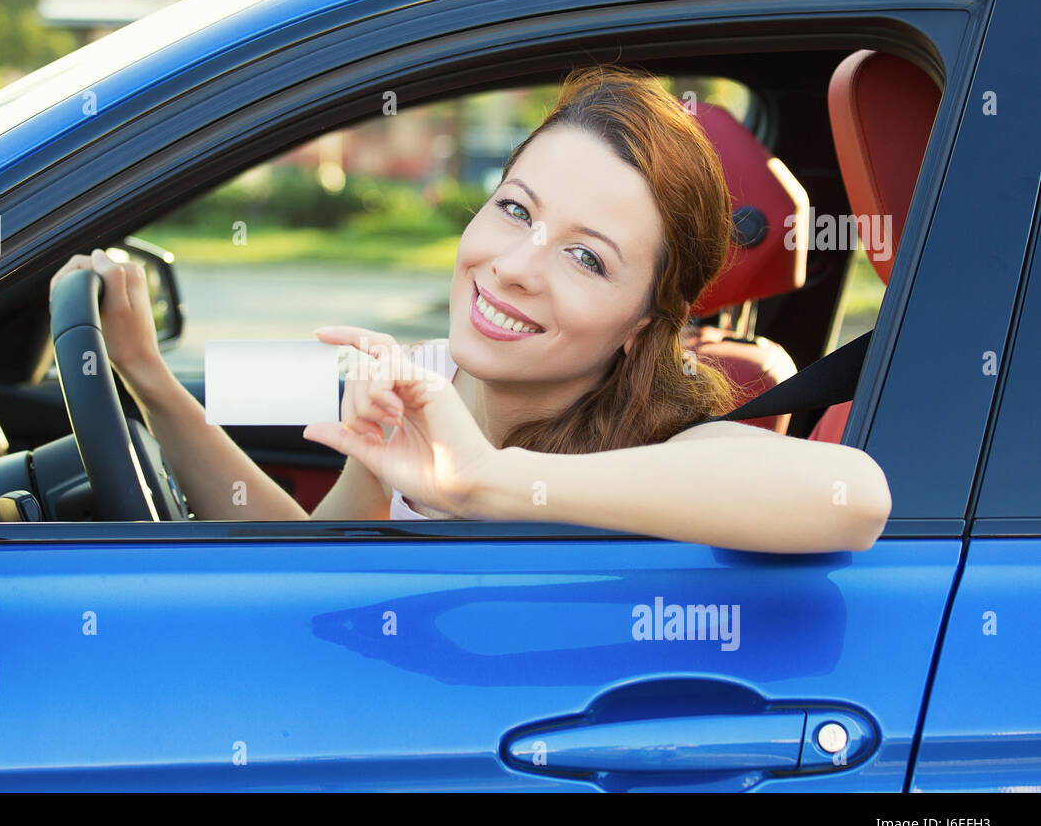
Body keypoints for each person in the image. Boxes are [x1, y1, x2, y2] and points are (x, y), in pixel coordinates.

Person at [49, 64, 891, 554]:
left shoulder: (665, 441)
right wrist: (153, 382)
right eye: (517, 210)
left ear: (642, 323)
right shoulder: (423, 374)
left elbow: (852, 498)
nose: (514, 267)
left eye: (587, 257)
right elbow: (319, 567)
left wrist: (487, 482)